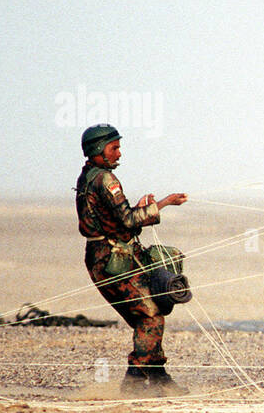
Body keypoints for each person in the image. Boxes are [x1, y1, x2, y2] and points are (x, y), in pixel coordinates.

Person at [75, 124, 188, 396]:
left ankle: (160, 380)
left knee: (146, 316)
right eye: (113, 148)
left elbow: (115, 220)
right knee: (150, 317)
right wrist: (162, 204)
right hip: (113, 260)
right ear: (97, 151)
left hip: (100, 258)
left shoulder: (88, 176)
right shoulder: (106, 180)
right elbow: (127, 220)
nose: (118, 153)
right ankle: (133, 384)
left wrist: (140, 209)